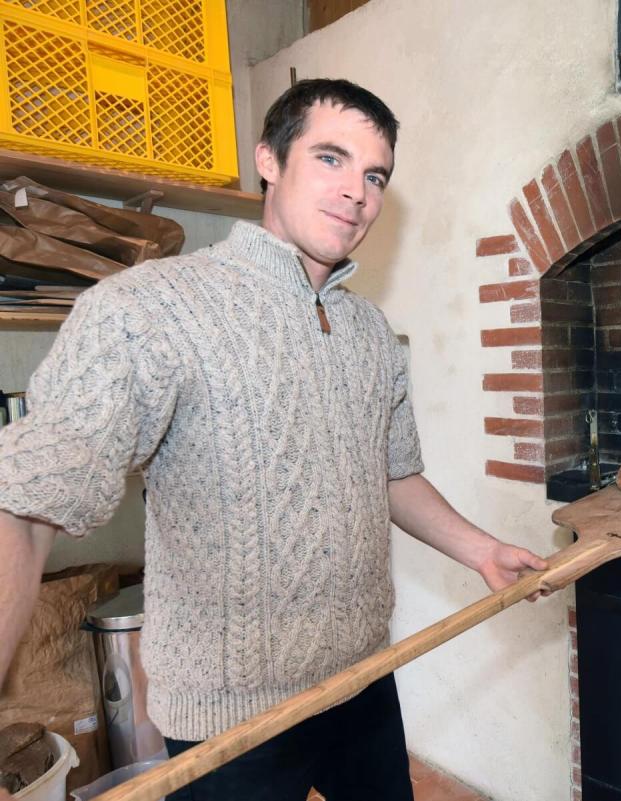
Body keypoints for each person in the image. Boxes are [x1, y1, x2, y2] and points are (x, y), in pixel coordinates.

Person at [0, 79, 548, 800]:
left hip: (360, 682)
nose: (356, 191)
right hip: (234, 724)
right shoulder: (148, 308)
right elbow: (28, 507)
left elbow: (392, 475)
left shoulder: (371, 334)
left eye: (374, 174)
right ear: (268, 159)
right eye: (330, 158)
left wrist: (482, 550)